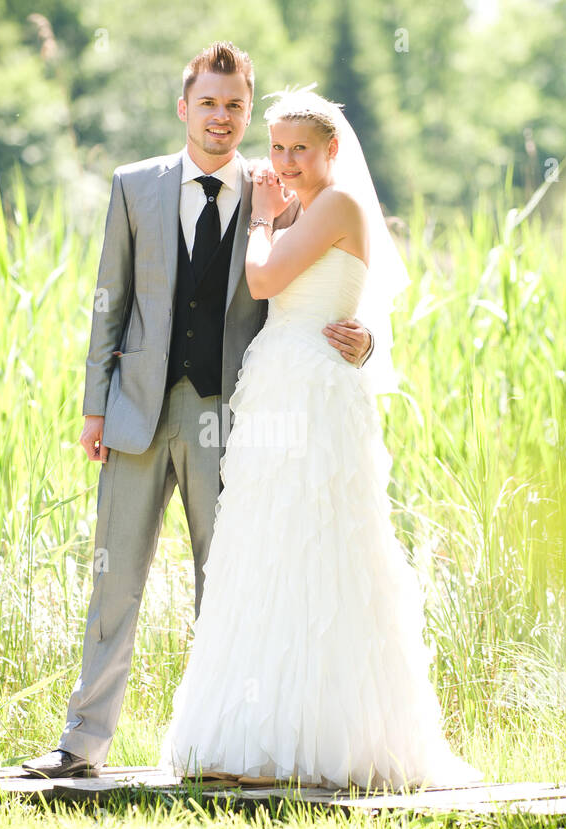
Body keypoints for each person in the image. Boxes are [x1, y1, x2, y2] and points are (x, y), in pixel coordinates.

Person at [19, 43, 376, 779]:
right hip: (135, 414)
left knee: (230, 581)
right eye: (209, 103)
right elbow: (108, 302)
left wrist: (365, 338)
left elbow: (339, 276)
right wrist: (94, 409)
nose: (222, 117)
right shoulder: (133, 186)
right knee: (114, 584)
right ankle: (80, 745)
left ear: (248, 112)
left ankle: (224, 746)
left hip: (230, 417)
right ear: (185, 108)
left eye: (236, 105)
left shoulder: (277, 188)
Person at [155, 88, 483, 790]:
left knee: (322, 539)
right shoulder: (300, 208)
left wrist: (263, 222)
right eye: (276, 147)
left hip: (312, 389)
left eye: (300, 147)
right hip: (278, 379)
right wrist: (275, 215)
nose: (286, 160)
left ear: (332, 149)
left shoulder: (330, 205)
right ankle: (256, 731)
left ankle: (331, 739)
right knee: (267, 544)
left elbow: (268, 276)